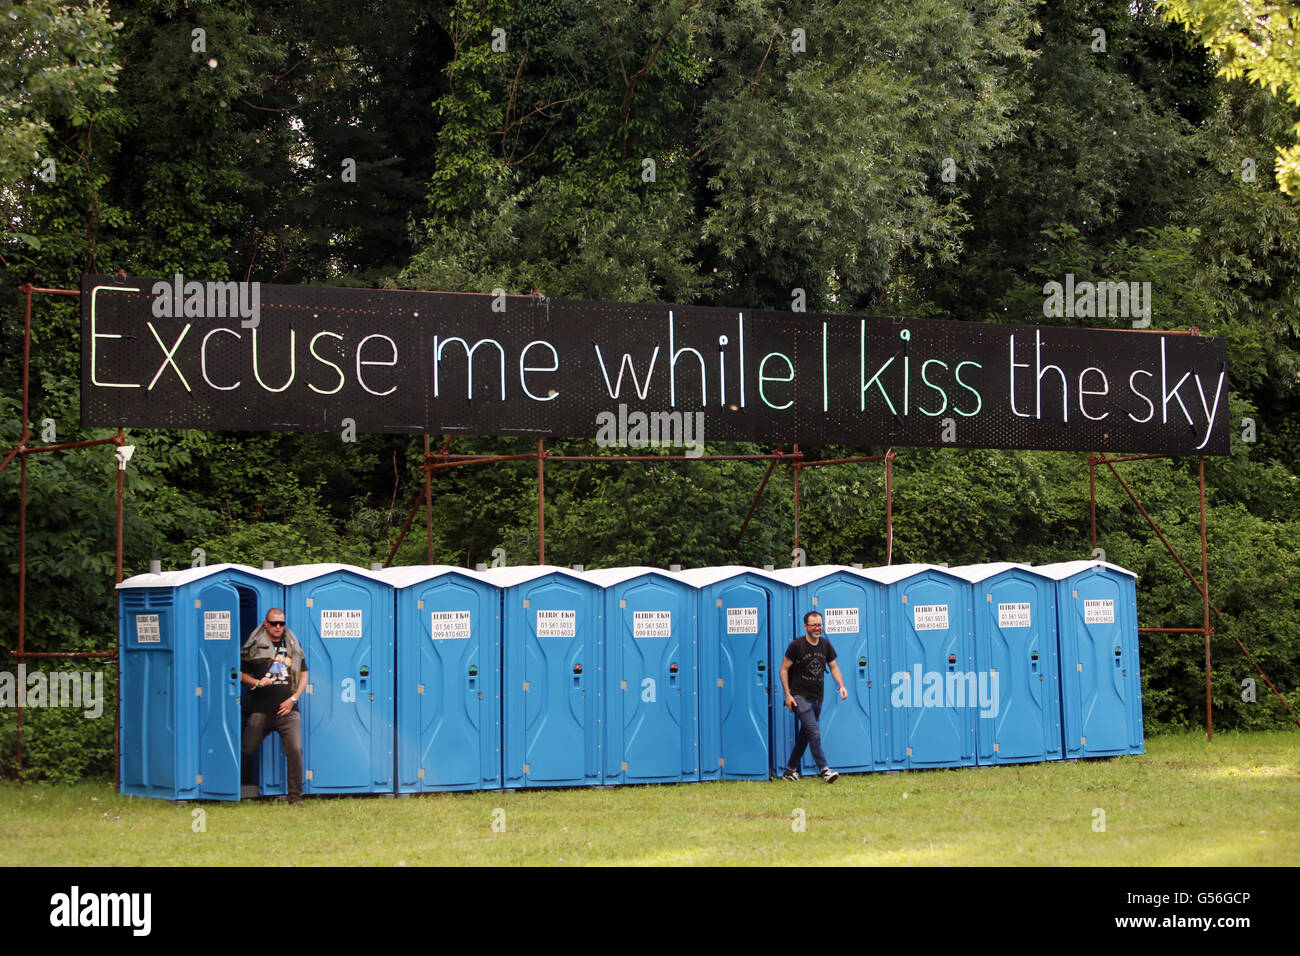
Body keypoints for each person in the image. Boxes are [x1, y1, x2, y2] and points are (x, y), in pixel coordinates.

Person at [241, 608, 308, 805]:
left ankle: (295, 798)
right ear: (265, 624)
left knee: (295, 751)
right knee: (247, 749)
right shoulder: (253, 646)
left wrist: (294, 698)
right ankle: (235, 790)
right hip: (261, 708)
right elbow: (241, 673)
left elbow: (304, 673)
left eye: (281, 623)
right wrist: (256, 682)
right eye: (274, 623)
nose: (278, 627)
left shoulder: (293, 645)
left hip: (287, 709)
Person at [778, 610, 847, 783]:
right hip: (799, 696)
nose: (818, 628)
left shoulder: (825, 645)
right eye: (814, 625)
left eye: (820, 624)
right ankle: (825, 771)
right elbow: (784, 669)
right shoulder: (797, 645)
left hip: (818, 697)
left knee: (805, 736)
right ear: (805, 626)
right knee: (814, 731)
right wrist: (788, 695)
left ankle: (789, 771)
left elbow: (834, 667)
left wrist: (841, 685)